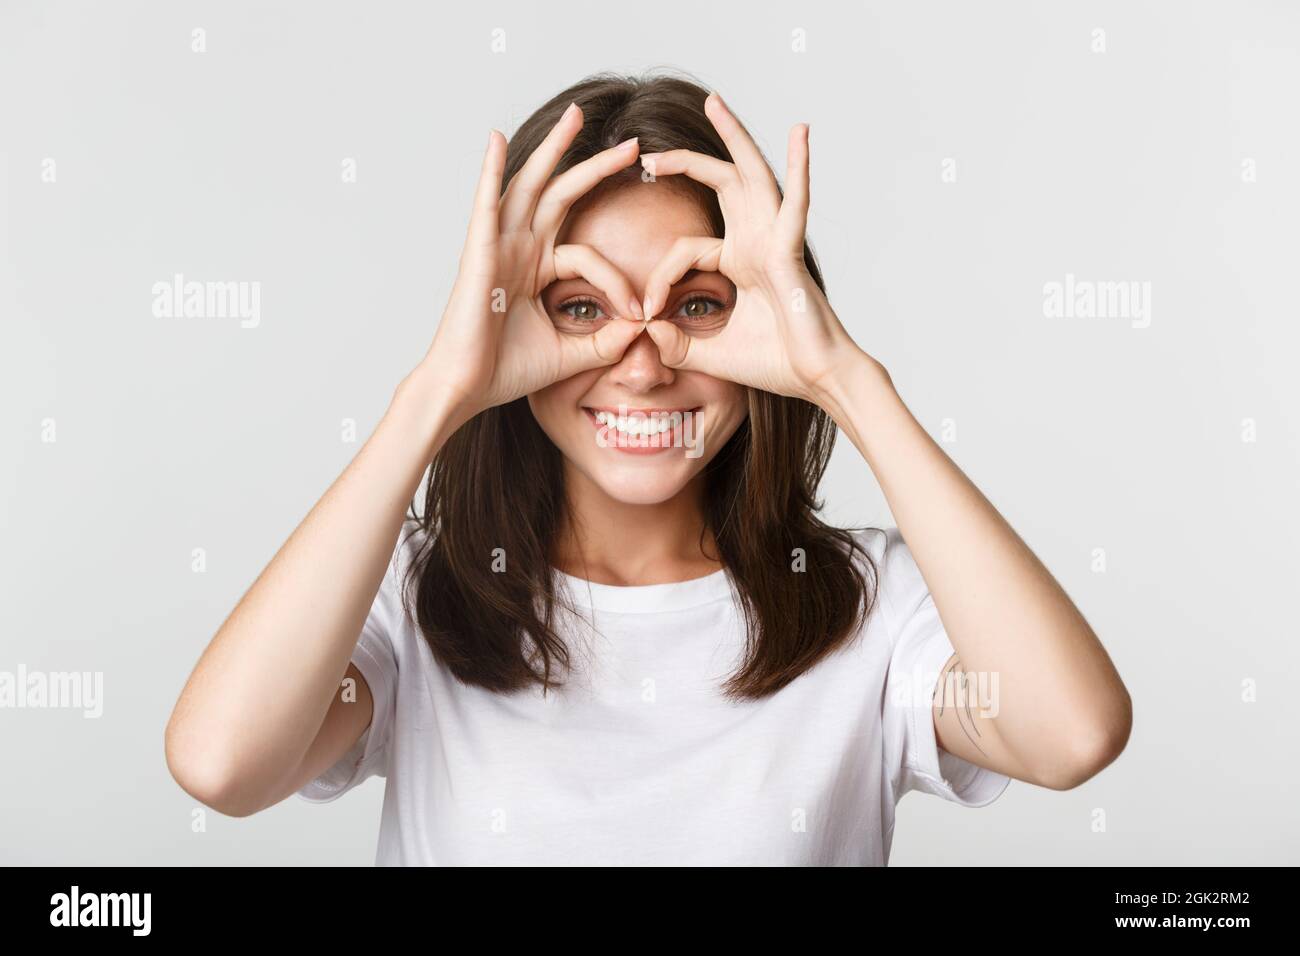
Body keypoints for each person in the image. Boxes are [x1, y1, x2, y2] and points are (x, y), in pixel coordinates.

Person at [165, 72, 1132, 865]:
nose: (642, 357)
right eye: (581, 307)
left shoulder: (868, 607)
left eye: (699, 304)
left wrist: (840, 376)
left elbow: (1071, 734)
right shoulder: (422, 600)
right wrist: (438, 394)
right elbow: (221, 766)